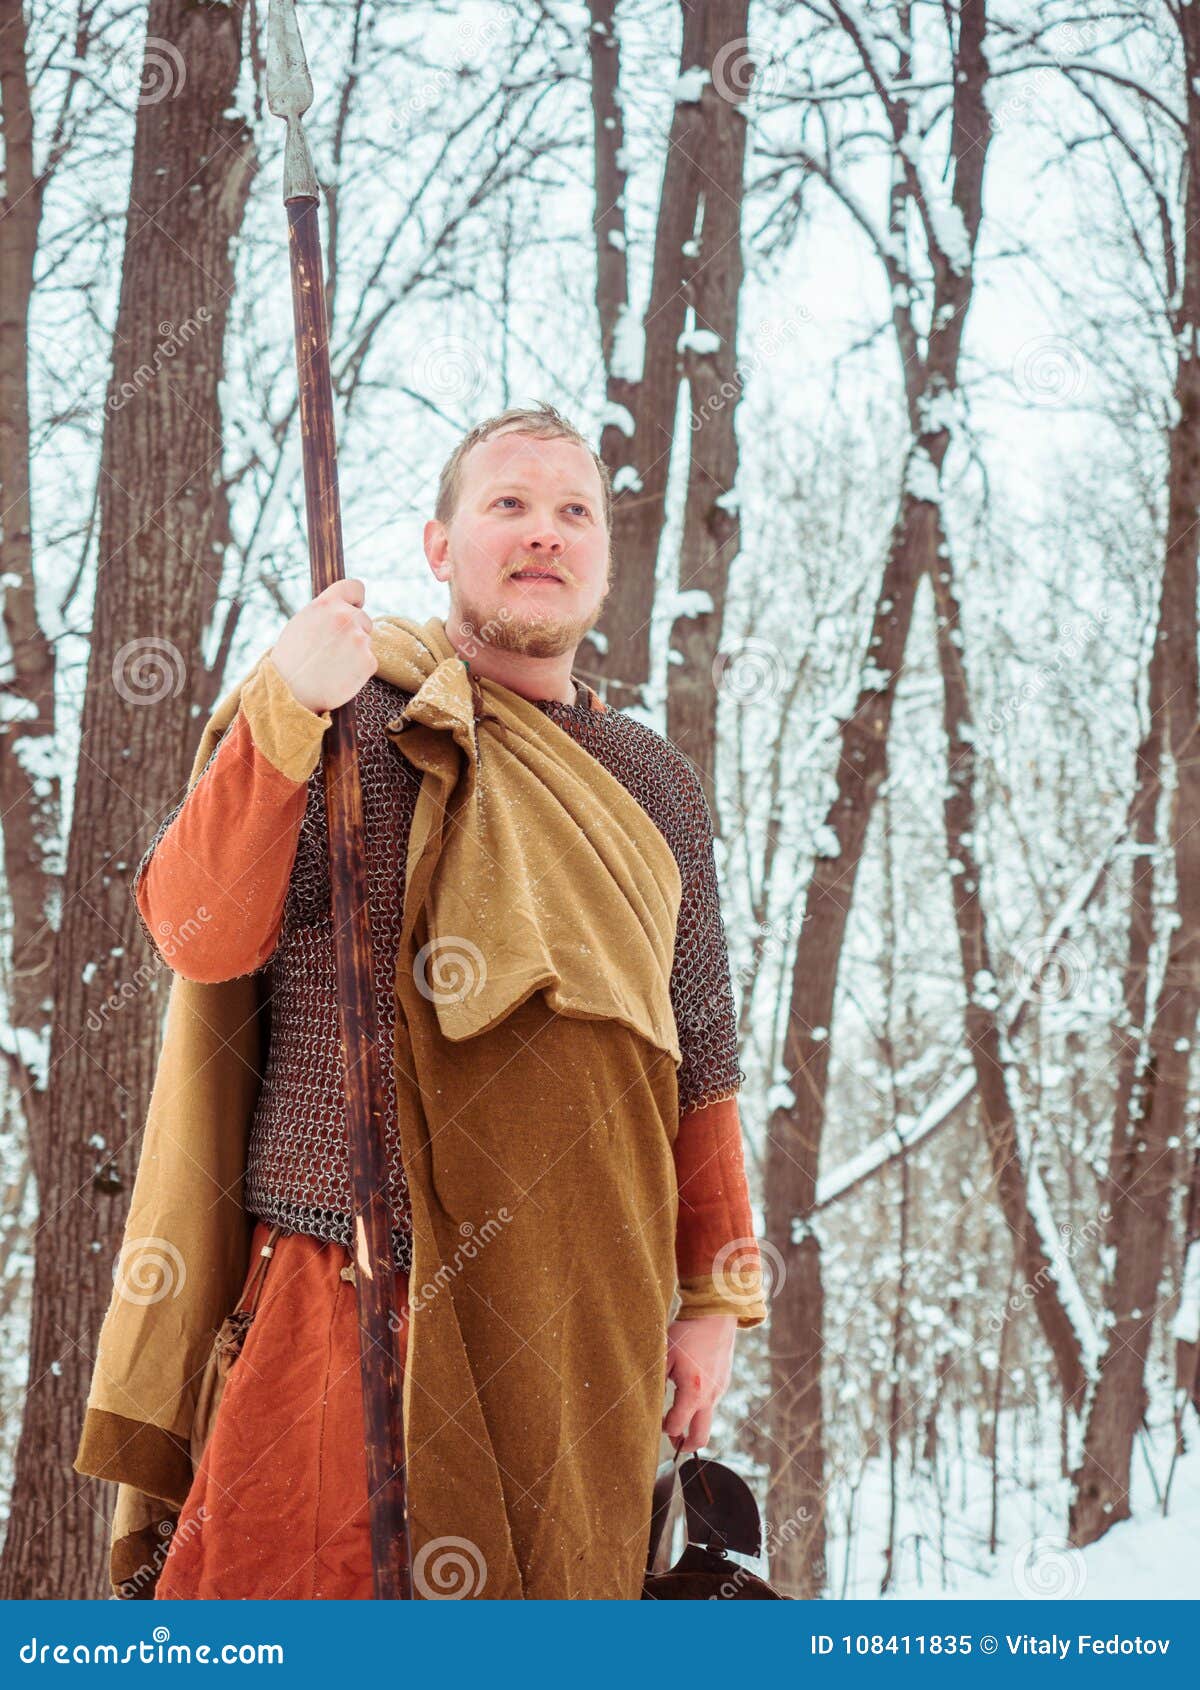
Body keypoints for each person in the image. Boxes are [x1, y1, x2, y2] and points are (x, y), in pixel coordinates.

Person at [75, 403, 766, 1601]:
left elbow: (696, 1051)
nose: (543, 534)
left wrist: (711, 1298)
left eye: (573, 512)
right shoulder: (345, 715)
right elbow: (193, 927)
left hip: (576, 1317)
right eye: (507, 503)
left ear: (605, 555)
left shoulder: (655, 783)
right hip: (343, 1293)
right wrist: (289, 703)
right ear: (441, 544)